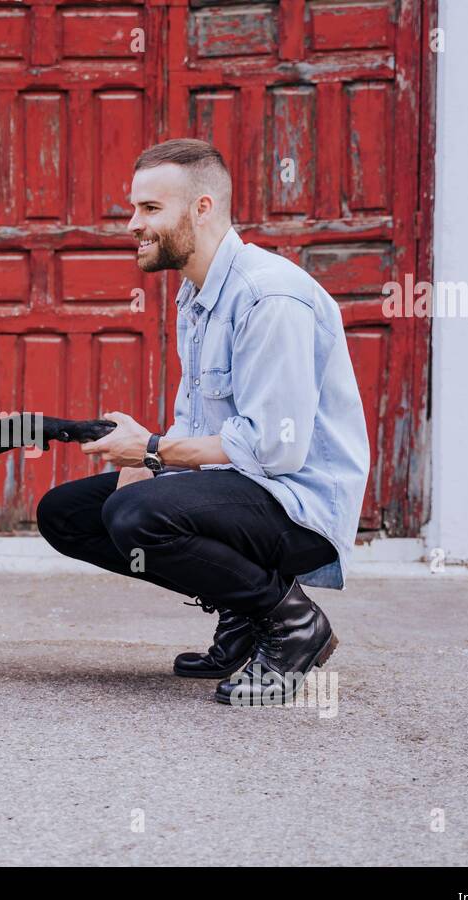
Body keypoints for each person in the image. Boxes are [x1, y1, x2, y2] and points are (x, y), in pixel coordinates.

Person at [36, 138, 370, 706]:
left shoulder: (269, 298)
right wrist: (153, 463)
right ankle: (245, 610)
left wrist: (155, 452)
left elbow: (275, 450)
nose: (131, 226)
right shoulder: (195, 295)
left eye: (149, 209)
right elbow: (199, 420)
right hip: (244, 492)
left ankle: (290, 622)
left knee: (135, 515)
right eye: (133, 209)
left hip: (299, 507)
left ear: (202, 208)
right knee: (66, 515)